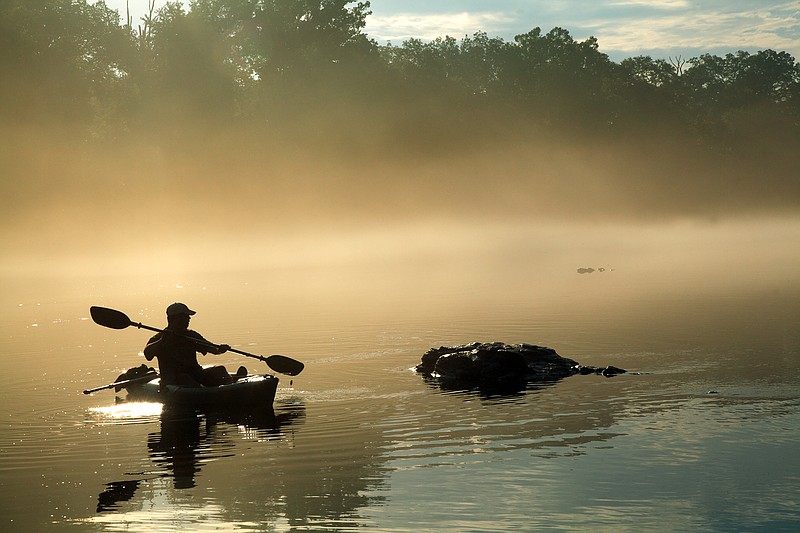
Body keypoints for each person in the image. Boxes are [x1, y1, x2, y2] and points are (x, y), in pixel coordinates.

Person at [144, 302, 245, 387]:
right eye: (186, 316)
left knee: (220, 370)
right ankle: (203, 392)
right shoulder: (161, 338)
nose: (189, 319)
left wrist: (219, 349)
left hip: (196, 373)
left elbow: (211, 348)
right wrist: (162, 341)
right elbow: (148, 354)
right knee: (184, 378)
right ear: (175, 318)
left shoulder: (191, 335)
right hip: (173, 379)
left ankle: (231, 384)